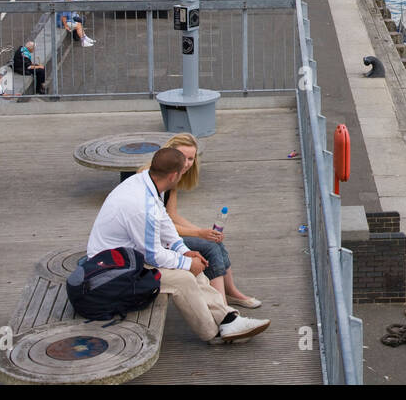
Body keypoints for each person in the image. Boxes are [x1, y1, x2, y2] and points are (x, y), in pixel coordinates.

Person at [86, 146, 269, 344]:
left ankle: (229, 319)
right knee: (184, 279)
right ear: (174, 175)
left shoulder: (146, 183)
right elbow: (153, 255)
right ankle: (214, 334)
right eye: (183, 172)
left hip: (129, 256)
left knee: (192, 265)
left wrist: (185, 251)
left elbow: (165, 222)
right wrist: (186, 264)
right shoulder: (141, 206)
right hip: (112, 270)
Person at [154, 133, 262, 308]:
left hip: (165, 234)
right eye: (183, 157)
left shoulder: (174, 177)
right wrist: (198, 233)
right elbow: (159, 226)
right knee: (209, 248)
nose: (187, 163)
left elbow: (171, 216)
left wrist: (205, 233)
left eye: (191, 158)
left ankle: (231, 291)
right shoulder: (153, 176)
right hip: (153, 241)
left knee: (214, 241)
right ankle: (223, 308)